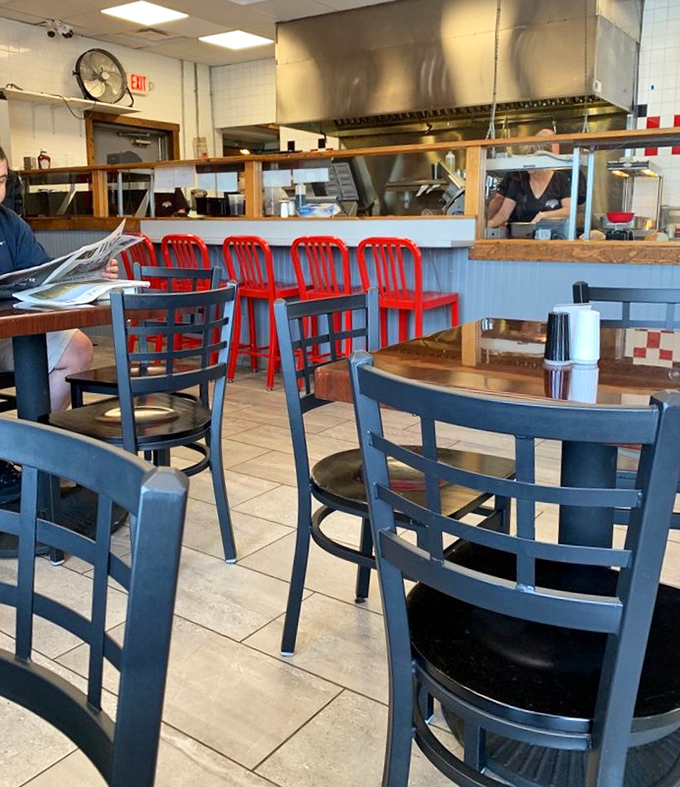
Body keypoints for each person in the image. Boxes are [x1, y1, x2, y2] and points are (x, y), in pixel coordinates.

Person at [0, 145, 118, 498]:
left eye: (1, 180)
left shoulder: (11, 225)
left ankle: (29, 452)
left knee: (77, 348)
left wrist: (90, 274)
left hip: (7, 336)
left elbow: (46, 277)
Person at [487, 128, 584, 229]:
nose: (532, 173)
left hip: (553, 237)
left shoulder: (560, 179)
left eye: (535, 170)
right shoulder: (519, 181)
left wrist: (543, 216)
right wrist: (485, 226)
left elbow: (569, 210)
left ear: (545, 163)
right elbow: (503, 215)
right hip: (521, 237)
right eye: (529, 170)